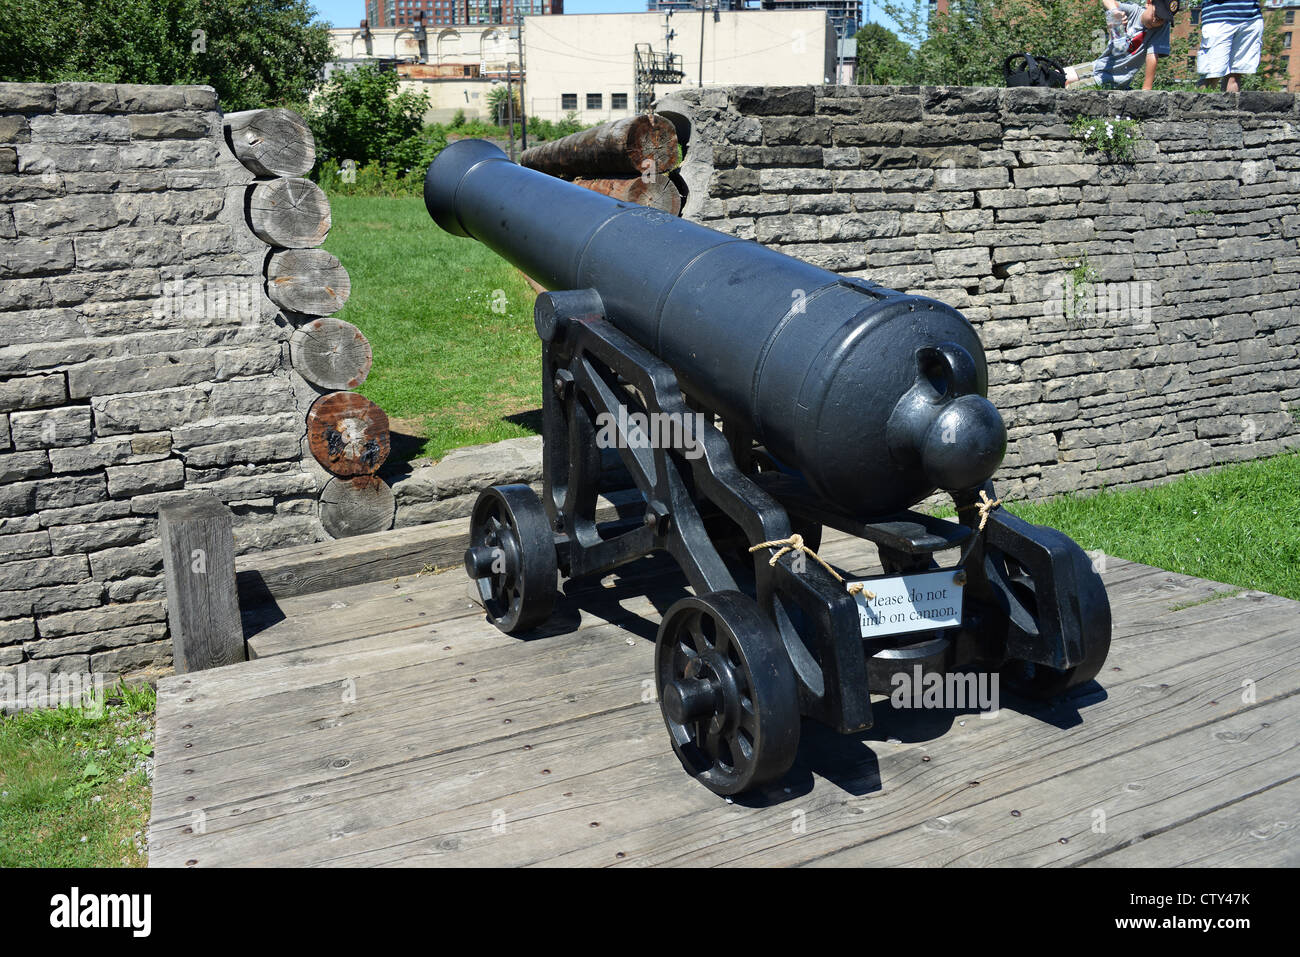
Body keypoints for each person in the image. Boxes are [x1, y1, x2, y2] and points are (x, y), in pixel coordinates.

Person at [1092, 0, 1179, 90]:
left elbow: (1152, 56)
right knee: (1076, 77)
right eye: (1155, 15)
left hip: (1118, 82)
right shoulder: (1134, 11)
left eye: (1161, 20)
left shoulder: (1162, 27)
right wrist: (1115, 11)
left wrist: (1146, 88)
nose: (1154, 21)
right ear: (1148, 3)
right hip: (1098, 68)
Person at [1196, 0, 1264, 92]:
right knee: (1211, 75)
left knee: (1235, 75)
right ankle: (1198, 106)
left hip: (1250, 16)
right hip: (1217, 15)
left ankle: (1230, 106)